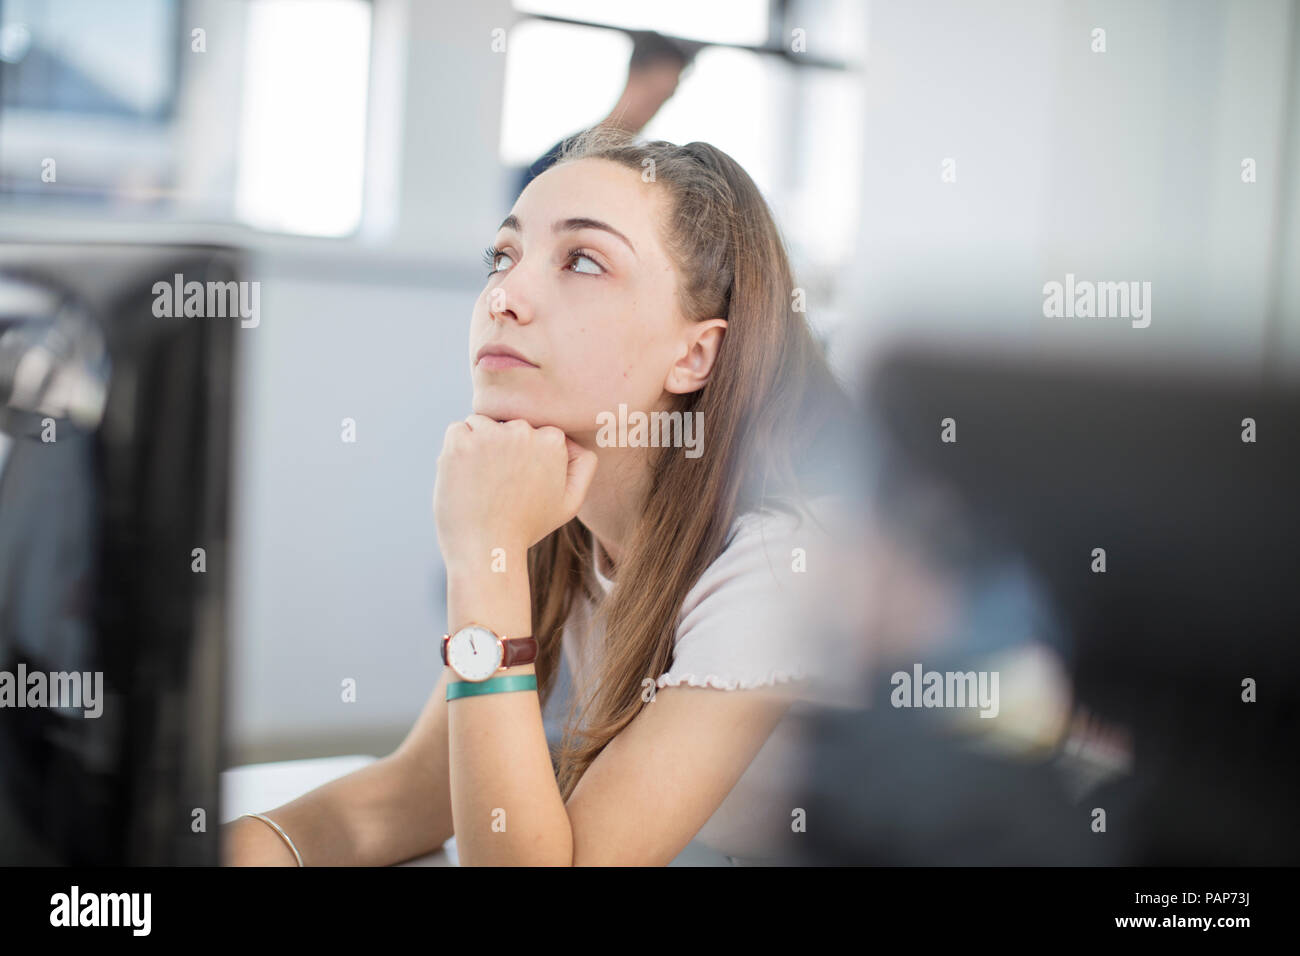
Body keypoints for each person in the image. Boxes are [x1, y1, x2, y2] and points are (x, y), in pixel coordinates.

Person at [223, 125, 859, 866]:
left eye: (582, 260)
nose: (504, 295)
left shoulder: (781, 563)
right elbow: (413, 791)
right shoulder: (560, 510)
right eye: (503, 255)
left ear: (694, 354)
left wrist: (483, 561)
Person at [513, 31, 698, 202]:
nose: (654, 109)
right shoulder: (563, 157)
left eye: (664, 98)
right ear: (633, 75)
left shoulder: (646, 167)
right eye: (653, 93)